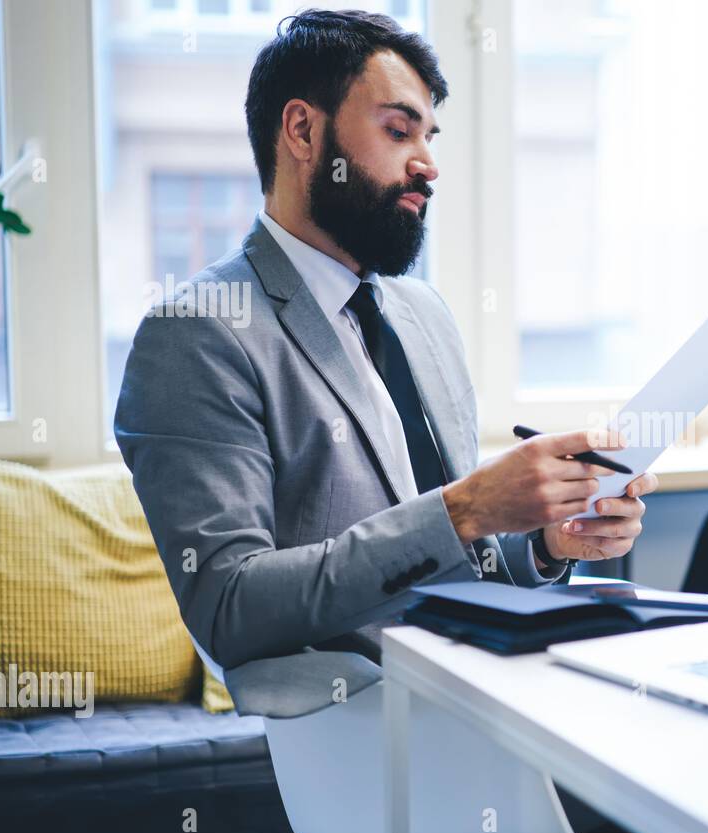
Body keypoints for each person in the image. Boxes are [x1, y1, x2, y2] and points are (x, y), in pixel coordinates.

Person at [114, 9, 658, 702]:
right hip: (364, 724)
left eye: (429, 137)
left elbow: (459, 570)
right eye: (399, 131)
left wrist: (550, 540)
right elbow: (231, 607)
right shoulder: (197, 333)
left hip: (495, 690)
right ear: (304, 131)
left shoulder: (422, 314)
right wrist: (464, 508)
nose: (428, 164)